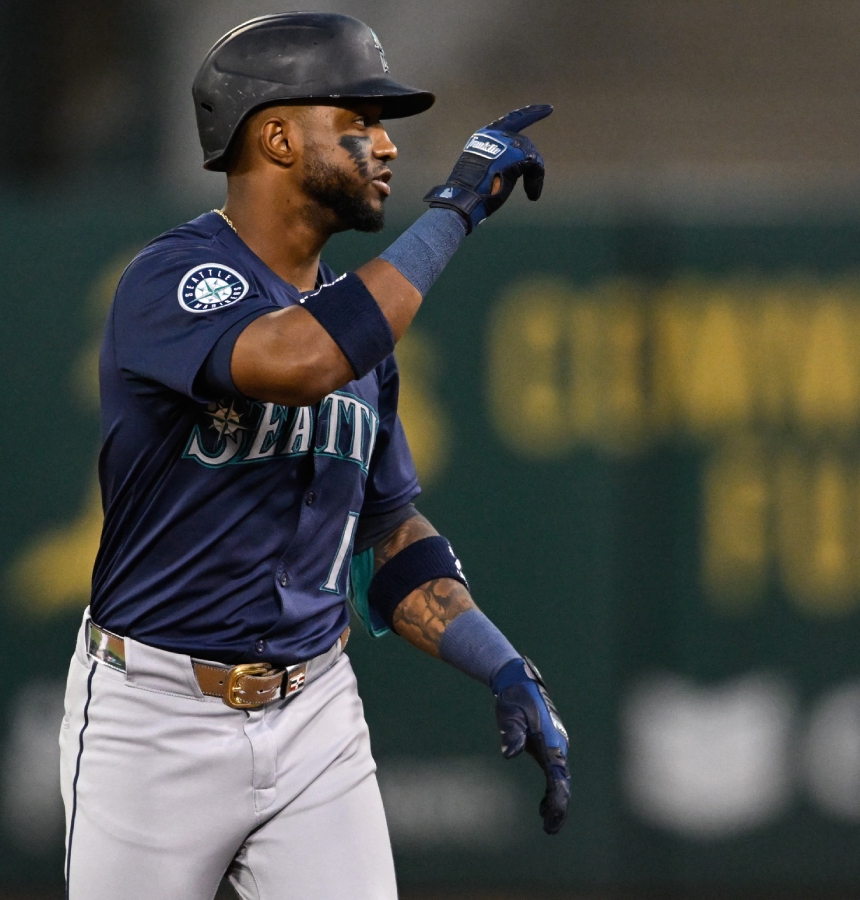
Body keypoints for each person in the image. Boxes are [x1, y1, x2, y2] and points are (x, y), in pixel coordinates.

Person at [58, 12, 569, 899]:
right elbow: (297, 363)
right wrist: (454, 211)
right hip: (156, 719)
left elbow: (385, 531)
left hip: (314, 713)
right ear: (279, 135)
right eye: (359, 122)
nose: (387, 147)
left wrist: (501, 662)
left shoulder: (356, 329)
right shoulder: (173, 278)